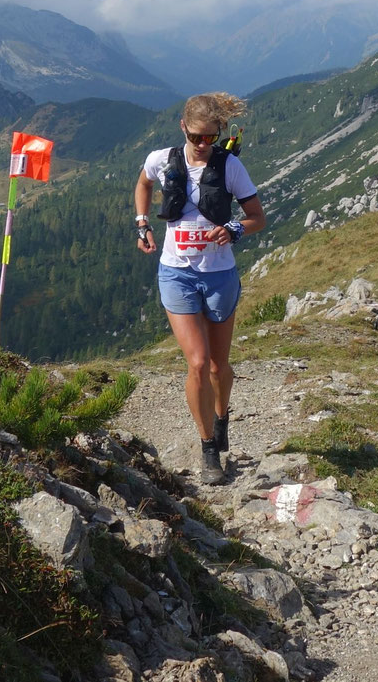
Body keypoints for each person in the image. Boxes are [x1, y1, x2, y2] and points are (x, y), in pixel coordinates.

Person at [135, 92, 266, 484]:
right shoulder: (162, 160)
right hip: (176, 272)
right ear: (183, 128)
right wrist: (142, 223)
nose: (204, 145)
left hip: (219, 275)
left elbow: (258, 216)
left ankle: (222, 414)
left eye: (211, 137)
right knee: (196, 362)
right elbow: (142, 184)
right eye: (197, 137)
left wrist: (235, 229)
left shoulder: (231, 167)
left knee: (216, 365)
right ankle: (209, 448)